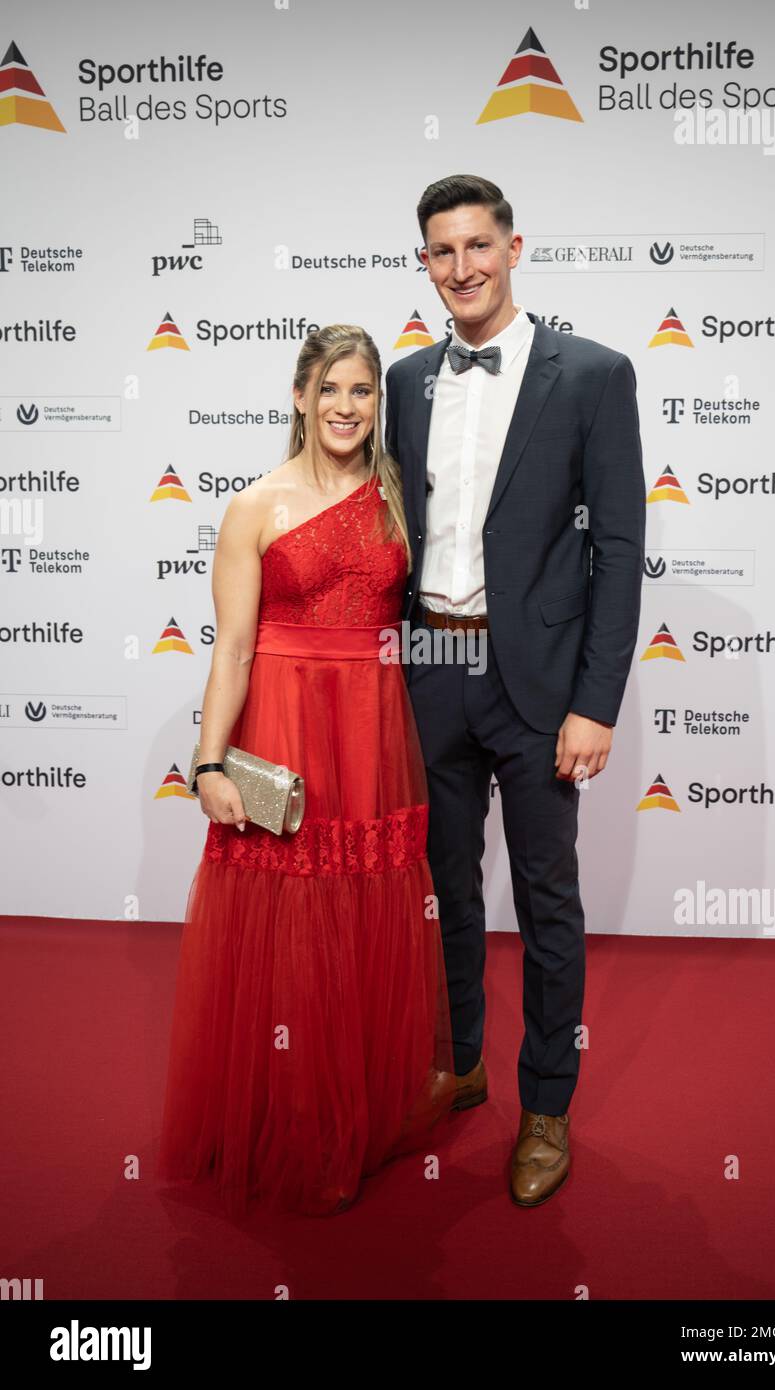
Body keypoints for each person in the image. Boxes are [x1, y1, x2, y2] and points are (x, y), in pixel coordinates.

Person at [385, 175, 646, 1207]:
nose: (462, 268)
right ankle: (463, 1061)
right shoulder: (404, 380)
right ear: (425, 263)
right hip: (430, 673)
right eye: (441, 252)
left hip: (536, 683)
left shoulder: (590, 374)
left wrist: (597, 701)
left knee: (546, 900)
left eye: (477, 246)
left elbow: (617, 552)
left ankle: (545, 1106)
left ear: (513, 246)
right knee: (442, 890)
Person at [156, 325, 456, 1219]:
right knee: (291, 919)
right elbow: (235, 647)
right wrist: (209, 761)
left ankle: (356, 1116)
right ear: (298, 397)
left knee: (364, 908)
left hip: (371, 726)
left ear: (377, 404)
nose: (345, 407)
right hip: (284, 721)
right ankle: (297, 1124)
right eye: (330, 388)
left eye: (363, 391)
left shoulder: (400, 494)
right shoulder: (256, 504)